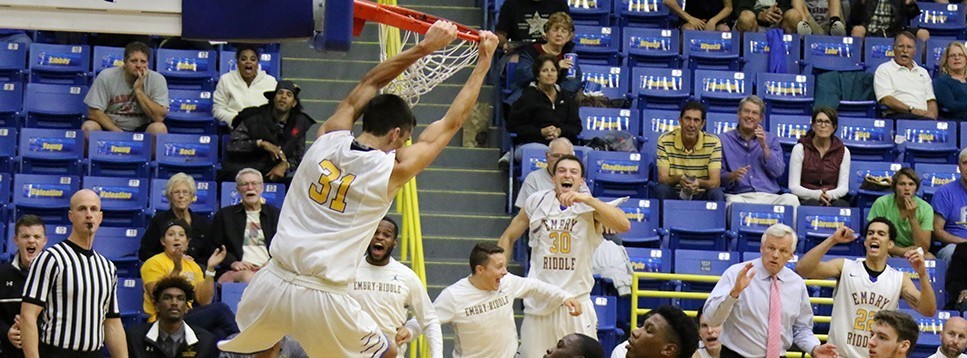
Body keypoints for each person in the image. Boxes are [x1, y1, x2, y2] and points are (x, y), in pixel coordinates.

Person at [217, 23, 498, 357]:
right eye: (405, 139)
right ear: (396, 134)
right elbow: (451, 124)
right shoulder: (391, 170)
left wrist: (424, 48)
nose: (405, 144)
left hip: (271, 281)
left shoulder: (327, 136)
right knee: (389, 352)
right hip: (321, 295)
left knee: (262, 351)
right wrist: (483, 62)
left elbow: (371, 82)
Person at [498, 154, 630, 358]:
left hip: (576, 304)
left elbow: (624, 225)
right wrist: (500, 273)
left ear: (581, 180)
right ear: (553, 178)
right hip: (539, 303)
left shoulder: (589, 206)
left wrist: (587, 198)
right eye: (562, 171)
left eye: (573, 172)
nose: (567, 174)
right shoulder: (536, 201)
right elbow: (507, 237)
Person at [796, 217, 937, 357]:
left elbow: (928, 310)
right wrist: (833, 240)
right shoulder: (845, 266)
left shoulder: (899, 279)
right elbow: (803, 269)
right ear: (865, 242)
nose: (874, 236)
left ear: (890, 244)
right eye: (870, 233)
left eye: (881, 234)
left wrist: (923, 274)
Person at [20, 189, 127, 358]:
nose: (89, 214)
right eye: (82, 209)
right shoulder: (50, 258)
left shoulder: (107, 267)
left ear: (100, 217)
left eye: (93, 209)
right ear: (71, 216)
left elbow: (112, 322)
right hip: (57, 352)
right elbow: (28, 315)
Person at [703, 223, 836, 358]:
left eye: (783, 251)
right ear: (762, 248)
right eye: (771, 248)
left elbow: (801, 328)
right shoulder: (736, 274)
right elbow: (711, 319)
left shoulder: (797, 284)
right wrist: (734, 293)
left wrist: (814, 348)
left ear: (791, 255)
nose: (775, 255)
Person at [433, 243, 582, 357]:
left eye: (504, 266)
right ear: (480, 270)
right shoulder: (453, 296)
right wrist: (411, 331)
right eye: (499, 267)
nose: (504, 272)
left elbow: (535, 286)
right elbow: (427, 320)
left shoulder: (506, 282)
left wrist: (564, 296)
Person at [350, 217, 443, 357]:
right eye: (375, 233)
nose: (380, 237)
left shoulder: (406, 276)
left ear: (394, 243)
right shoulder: (349, 270)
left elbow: (430, 320)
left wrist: (436, 355)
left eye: (386, 235)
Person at [141, 219, 238, 341]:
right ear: (163, 241)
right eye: (171, 234)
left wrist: (210, 269)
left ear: (187, 242)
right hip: (163, 319)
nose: (177, 238)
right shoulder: (153, 263)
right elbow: (157, 297)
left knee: (218, 333)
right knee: (220, 309)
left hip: (186, 316)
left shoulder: (193, 266)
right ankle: (247, 346)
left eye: (181, 235)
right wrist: (177, 268)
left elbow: (205, 301)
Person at [220, 80, 314, 183]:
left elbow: (297, 157)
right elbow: (232, 145)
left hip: (273, 175)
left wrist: (285, 165)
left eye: (289, 94)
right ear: (273, 98)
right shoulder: (253, 118)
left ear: (294, 103)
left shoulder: (299, 125)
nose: (283, 97)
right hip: (245, 170)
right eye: (280, 93)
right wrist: (260, 144)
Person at [719, 96, 800, 207]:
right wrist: (732, 176)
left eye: (754, 113)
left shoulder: (771, 139)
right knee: (731, 204)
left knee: (791, 200)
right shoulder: (723, 140)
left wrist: (764, 146)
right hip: (740, 196)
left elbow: (779, 171)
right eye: (746, 111)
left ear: (761, 118)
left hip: (769, 196)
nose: (749, 116)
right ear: (738, 114)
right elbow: (718, 176)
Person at [82, 41, 168, 135]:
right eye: (134, 61)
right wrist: (118, 132)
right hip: (110, 127)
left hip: (141, 129)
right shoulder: (107, 76)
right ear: (125, 62)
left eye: (143, 61)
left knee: (159, 128)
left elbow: (159, 117)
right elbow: (94, 112)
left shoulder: (157, 79)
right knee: (88, 127)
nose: (139, 65)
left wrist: (139, 91)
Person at [211, 168, 280, 283]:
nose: (250, 188)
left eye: (254, 184)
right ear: (238, 189)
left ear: (262, 188)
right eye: (244, 184)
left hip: (270, 269)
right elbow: (214, 246)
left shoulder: (275, 215)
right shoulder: (225, 215)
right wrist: (233, 262)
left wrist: (271, 264)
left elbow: (283, 247)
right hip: (238, 271)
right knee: (250, 278)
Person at [506, 54, 581, 160]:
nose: (549, 74)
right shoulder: (527, 97)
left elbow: (576, 127)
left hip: (561, 146)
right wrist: (540, 132)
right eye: (545, 70)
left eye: (553, 70)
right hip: (533, 144)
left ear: (558, 74)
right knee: (547, 154)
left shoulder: (566, 96)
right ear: (537, 75)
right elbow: (513, 126)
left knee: (588, 153)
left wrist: (560, 131)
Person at [126, 276, 217, 358]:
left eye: (180, 299)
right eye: (167, 298)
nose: (174, 302)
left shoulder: (206, 341)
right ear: (156, 306)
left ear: (186, 307)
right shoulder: (134, 338)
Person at [654, 100, 725, 202]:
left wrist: (698, 183)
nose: (691, 125)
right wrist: (679, 179)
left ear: (702, 124)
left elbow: (715, 182)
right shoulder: (665, 140)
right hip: (674, 194)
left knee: (716, 193)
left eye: (696, 120)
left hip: (701, 194)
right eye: (687, 119)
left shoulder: (713, 142)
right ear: (680, 121)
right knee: (661, 189)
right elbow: (663, 178)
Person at [509, 12, 582, 104]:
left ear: (568, 37)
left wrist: (556, 94)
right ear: (546, 34)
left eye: (564, 31)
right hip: (530, 96)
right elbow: (524, 76)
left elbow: (573, 81)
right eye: (555, 30)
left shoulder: (569, 54)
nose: (559, 34)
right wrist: (556, 67)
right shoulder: (530, 51)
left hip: (558, 99)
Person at [0, 215, 47, 358]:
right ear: (16, 240)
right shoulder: (2, 274)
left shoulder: (56, 274)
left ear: (44, 241)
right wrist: (6, 332)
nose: (31, 240)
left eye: (37, 237)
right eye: (25, 236)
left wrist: (30, 328)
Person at [139, 173, 212, 262]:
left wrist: (191, 264)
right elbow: (144, 253)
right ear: (170, 196)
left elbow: (208, 255)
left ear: (191, 196)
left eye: (185, 192)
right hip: (166, 271)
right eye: (177, 192)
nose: (181, 196)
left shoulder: (202, 223)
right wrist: (171, 258)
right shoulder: (159, 221)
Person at [788, 107, 851, 207]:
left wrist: (828, 195)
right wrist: (816, 195)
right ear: (813, 125)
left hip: (832, 197)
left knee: (842, 205)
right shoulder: (800, 148)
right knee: (812, 205)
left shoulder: (843, 151)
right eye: (819, 121)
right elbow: (793, 186)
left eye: (827, 122)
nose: (823, 125)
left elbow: (843, 187)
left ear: (834, 127)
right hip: (806, 198)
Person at [868, 167, 935, 258]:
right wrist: (901, 251)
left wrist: (912, 217)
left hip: (914, 252)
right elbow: (874, 240)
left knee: (930, 258)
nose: (907, 188)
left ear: (916, 188)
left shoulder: (926, 208)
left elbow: (923, 248)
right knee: (880, 254)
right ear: (895, 187)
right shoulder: (882, 203)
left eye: (911, 184)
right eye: (902, 184)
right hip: (888, 250)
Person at [874, 31, 938, 119]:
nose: (905, 50)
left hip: (923, 116)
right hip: (899, 114)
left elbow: (930, 99)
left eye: (909, 47)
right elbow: (886, 99)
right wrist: (912, 110)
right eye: (901, 46)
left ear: (914, 51)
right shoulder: (884, 69)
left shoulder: (923, 72)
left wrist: (933, 115)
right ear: (894, 49)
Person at [212, 45, 279, 128]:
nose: (248, 62)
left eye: (253, 59)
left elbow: (276, 108)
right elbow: (218, 109)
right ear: (238, 63)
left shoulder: (270, 81)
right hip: (237, 128)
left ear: (258, 64)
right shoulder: (226, 79)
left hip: (263, 128)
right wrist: (234, 119)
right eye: (243, 59)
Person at [516, 137, 577, 209]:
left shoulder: (577, 179)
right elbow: (523, 212)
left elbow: (589, 209)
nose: (560, 160)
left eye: (565, 156)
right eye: (555, 156)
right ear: (547, 156)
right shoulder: (533, 178)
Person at [619, 305, 700, 358]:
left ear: (669, 349)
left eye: (648, 330)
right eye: (641, 326)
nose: (635, 332)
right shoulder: (620, 350)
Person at [931, 148, 967, 263]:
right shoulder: (944, 192)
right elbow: (937, 231)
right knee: (951, 251)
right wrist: (963, 243)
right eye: (965, 163)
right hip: (954, 246)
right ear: (959, 166)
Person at [494, 0, 570, 49]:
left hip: (550, 51)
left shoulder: (559, 3)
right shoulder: (511, 3)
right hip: (519, 50)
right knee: (514, 61)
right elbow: (500, 34)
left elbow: (570, 33)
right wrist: (505, 44)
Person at [849, 0, 926, 41]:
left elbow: (911, 15)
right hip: (870, 30)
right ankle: (855, 64)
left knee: (923, 33)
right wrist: (860, 3)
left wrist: (910, 5)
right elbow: (854, 18)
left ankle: (919, 67)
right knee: (857, 30)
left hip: (894, 31)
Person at [933, 41, 967, 120]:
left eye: (960, 55)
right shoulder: (941, 81)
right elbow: (951, 105)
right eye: (952, 55)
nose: (957, 58)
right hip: (956, 122)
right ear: (946, 60)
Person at [665, 0, 732, 31]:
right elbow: (668, 1)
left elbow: (728, 7)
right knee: (688, 30)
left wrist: (713, 21)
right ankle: (685, 58)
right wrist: (690, 19)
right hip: (691, 20)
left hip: (715, 20)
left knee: (724, 29)